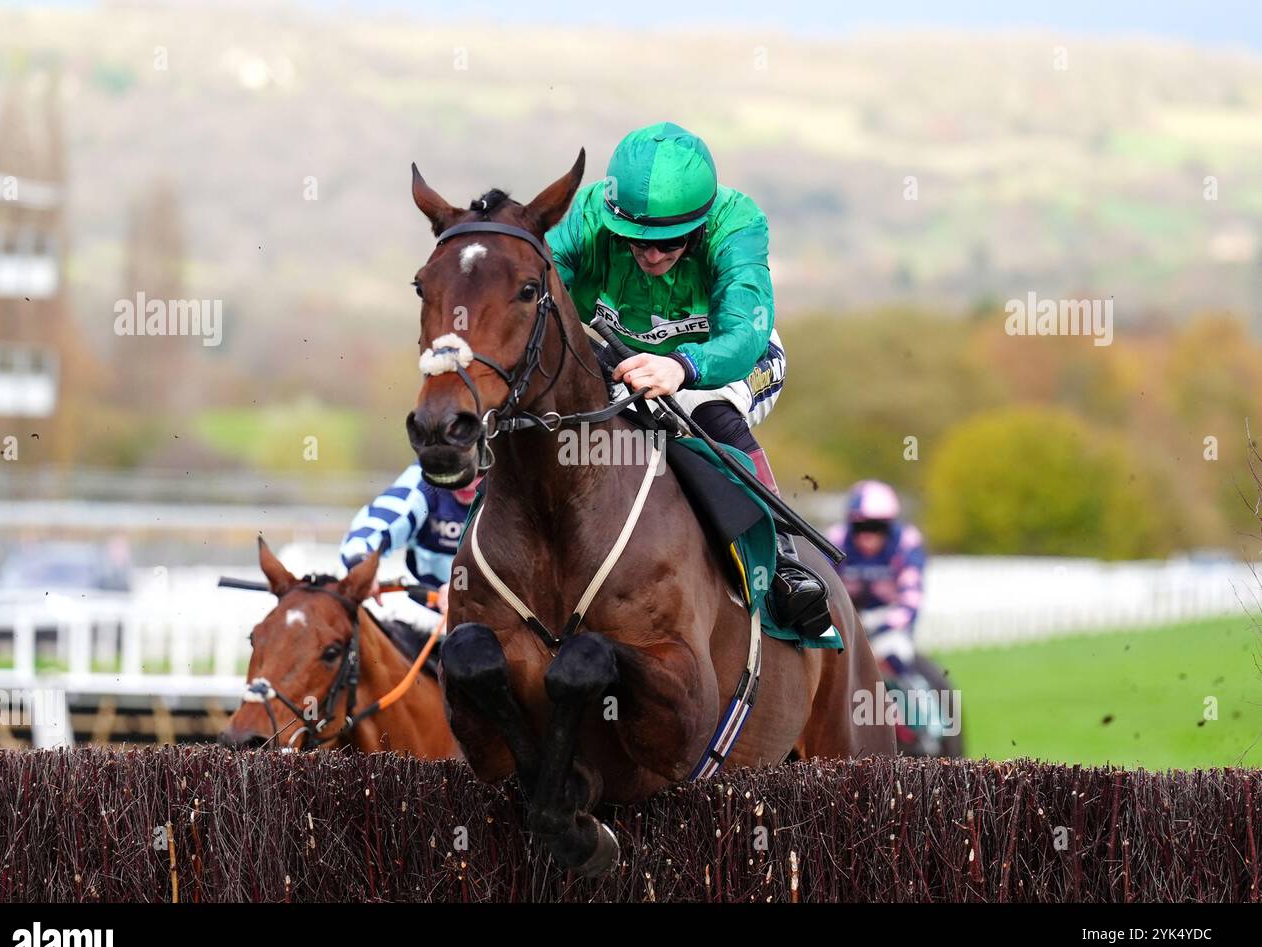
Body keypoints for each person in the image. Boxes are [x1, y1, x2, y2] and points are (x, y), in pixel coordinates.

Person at [545, 121, 829, 636]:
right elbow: (538, 294)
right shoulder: (589, 215)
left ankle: (784, 560)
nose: (651, 255)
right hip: (622, 354)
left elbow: (744, 333)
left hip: (728, 359)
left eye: (669, 241)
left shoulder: (737, 223)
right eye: (636, 241)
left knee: (705, 411)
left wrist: (681, 367)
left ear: (698, 224)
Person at [339, 464, 482, 657]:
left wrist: (468, 586)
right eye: (457, 469)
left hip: (501, 619)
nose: (467, 482)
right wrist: (362, 564)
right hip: (430, 616)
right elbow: (374, 525)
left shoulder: (515, 477)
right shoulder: (425, 478)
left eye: (480, 470)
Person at [827, 480, 926, 677]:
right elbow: (822, 592)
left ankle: (907, 704)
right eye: (860, 527)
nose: (867, 535)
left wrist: (879, 628)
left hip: (888, 624)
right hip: (845, 623)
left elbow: (912, 601)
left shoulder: (907, 541)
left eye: (876, 527)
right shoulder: (835, 539)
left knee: (895, 658)